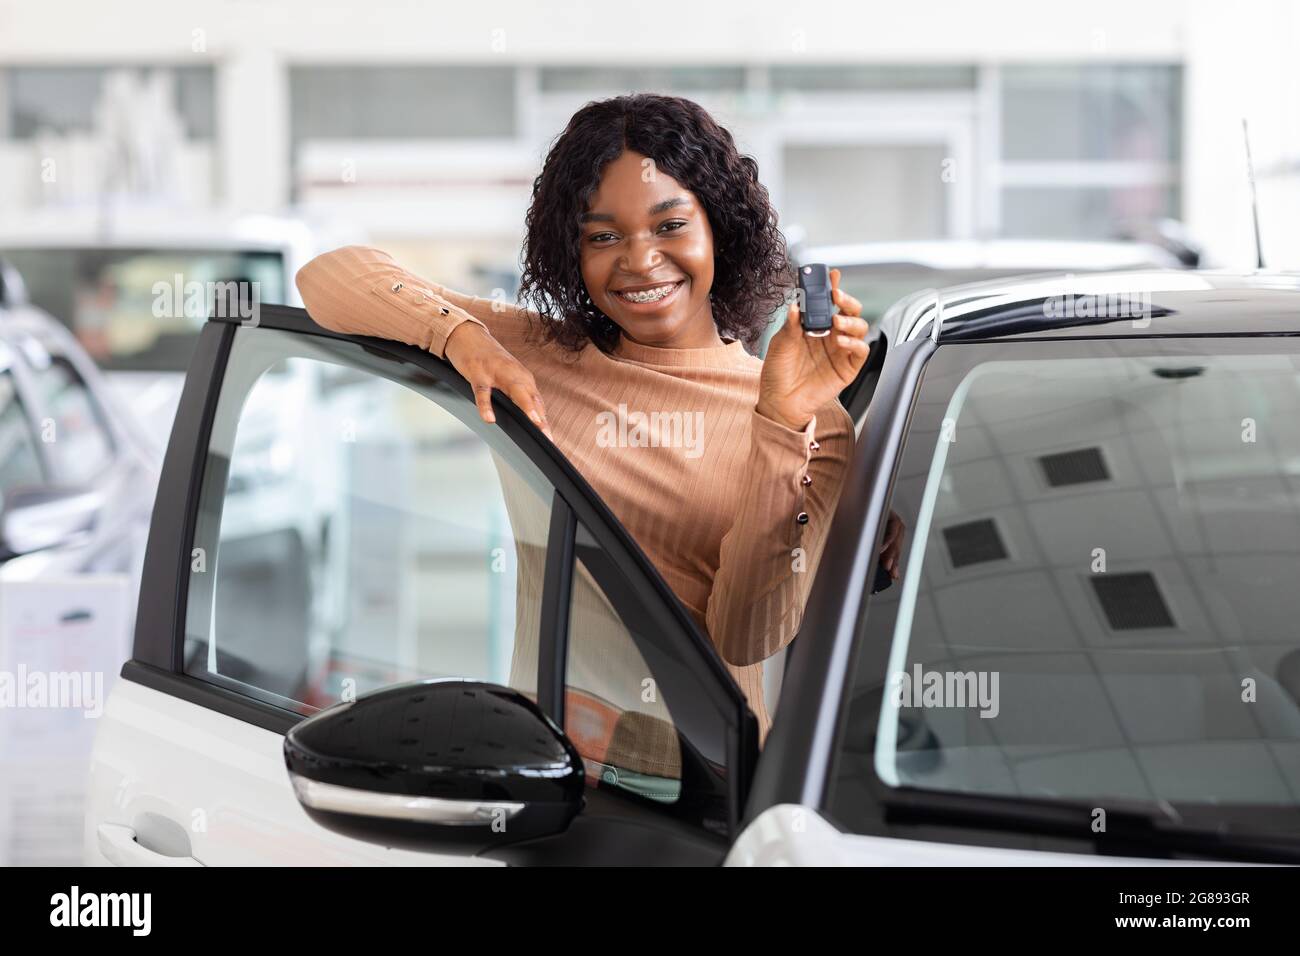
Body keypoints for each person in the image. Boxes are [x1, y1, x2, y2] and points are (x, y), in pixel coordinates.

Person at [296, 93, 903, 748]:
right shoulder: (535, 354)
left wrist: (780, 422)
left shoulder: (812, 420)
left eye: (670, 226)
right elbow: (328, 275)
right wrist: (458, 338)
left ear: (719, 230)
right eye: (604, 236)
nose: (639, 260)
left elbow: (746, 635)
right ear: (573, 253)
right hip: (544, 775)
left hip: (705, 802)